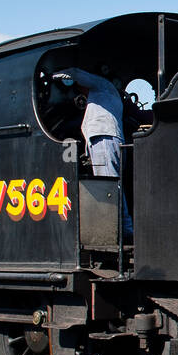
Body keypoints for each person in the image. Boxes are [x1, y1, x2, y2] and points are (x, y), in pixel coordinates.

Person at [54, 67, 133, 238]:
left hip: (104, 139)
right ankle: (123, 228)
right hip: (109, 139)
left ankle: (119, 230)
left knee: (108, 185)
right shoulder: (109, 96)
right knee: (112, 184)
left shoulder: (102, 85)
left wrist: (57, 75)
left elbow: (77, 73)